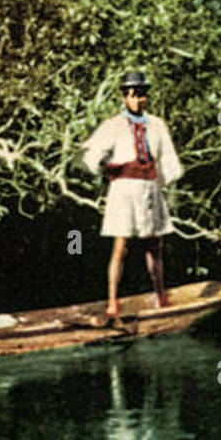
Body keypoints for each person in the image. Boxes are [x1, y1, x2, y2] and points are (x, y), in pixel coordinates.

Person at [81, 72, 184, 317]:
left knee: (155, 245)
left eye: (141, 95)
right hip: (124, 190)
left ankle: (161, 296)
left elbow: (168, 159)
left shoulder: (157, 125)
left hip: (148, 187)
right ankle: (112, 302)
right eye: (133, 95)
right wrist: (105, 166)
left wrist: (168, 186)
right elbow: (90, 153)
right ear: (124, 97)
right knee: (121, 245)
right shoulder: (113, 125)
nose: (138, 100)